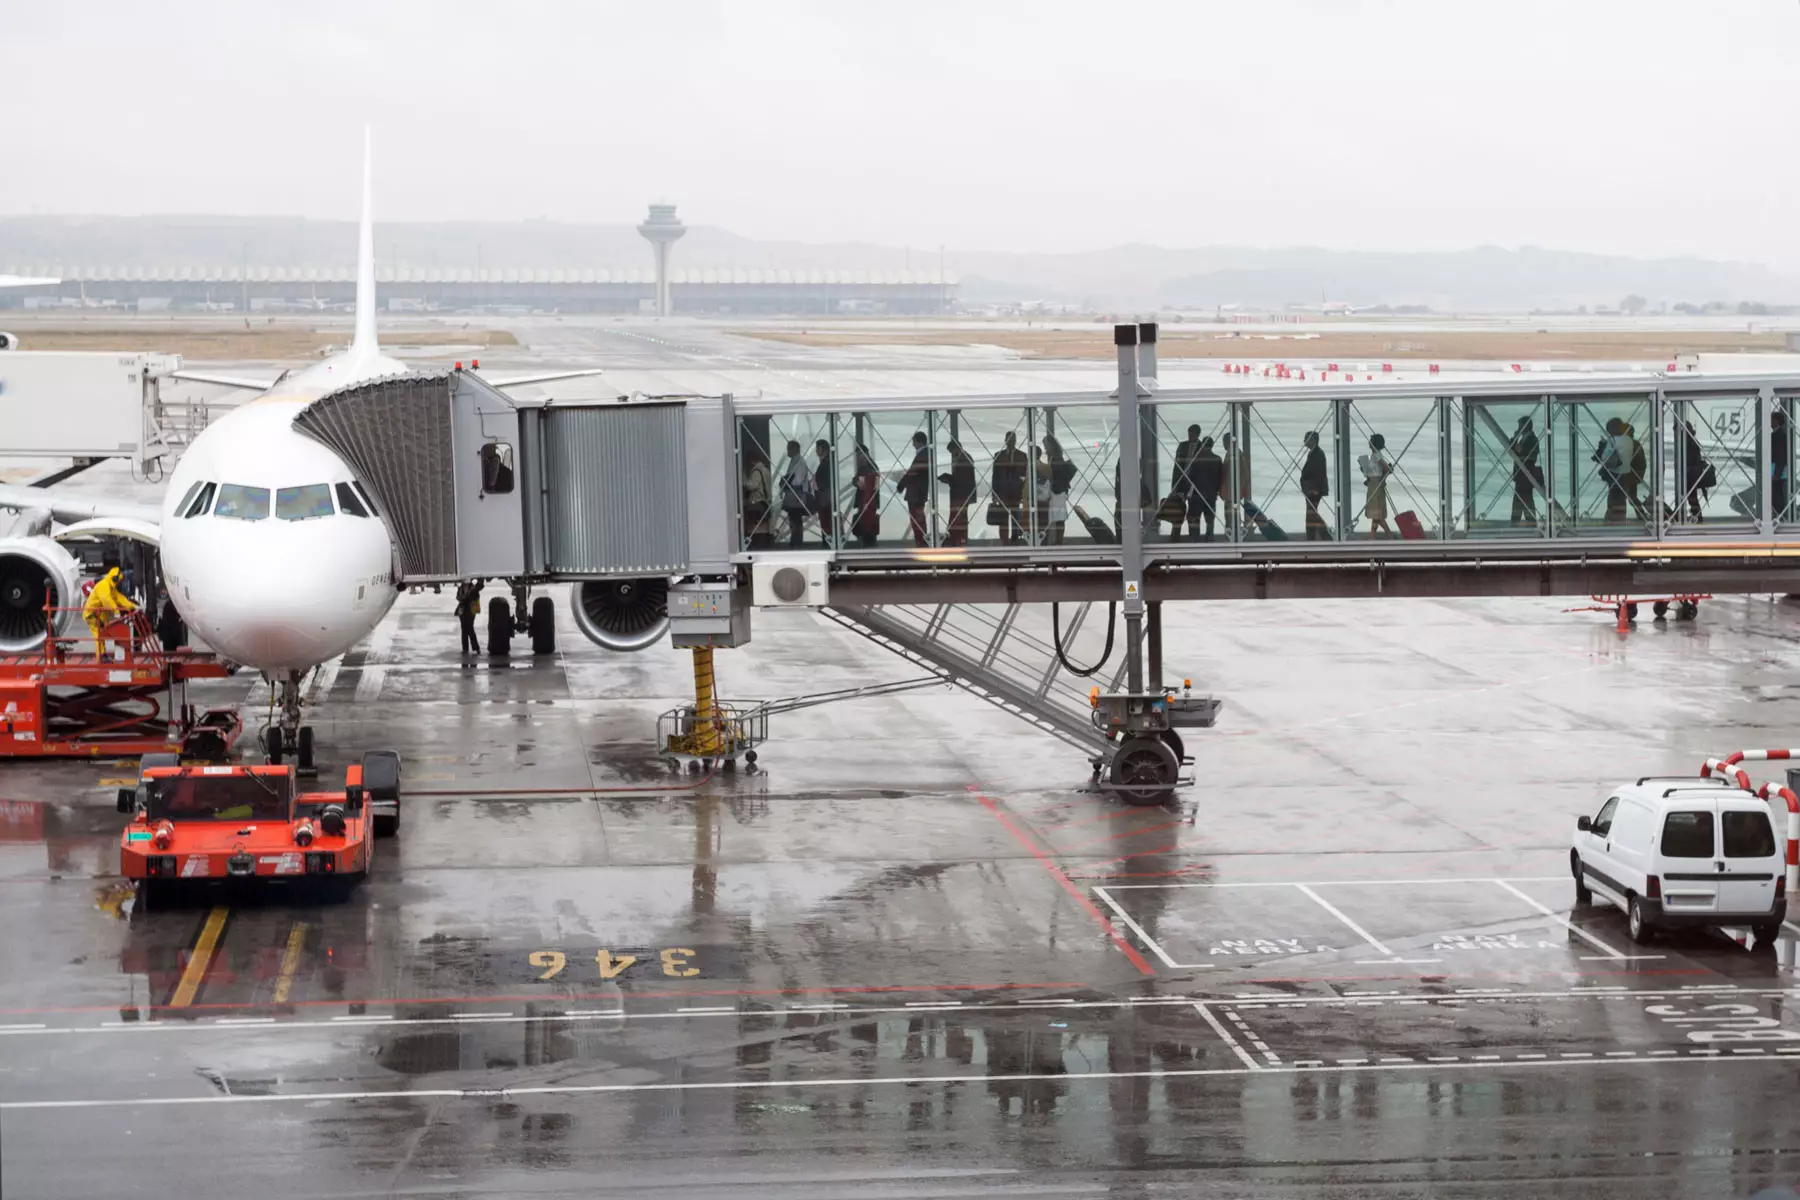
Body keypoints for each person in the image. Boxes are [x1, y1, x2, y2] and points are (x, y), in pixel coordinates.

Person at [83, 564, 137, 660]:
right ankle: (101, 656)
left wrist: (132, 606)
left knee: (101, 634)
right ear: (115, 578)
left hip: (99, 615)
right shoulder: (104, 586)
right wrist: (116, 611)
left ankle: (103, 655)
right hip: (92, 615)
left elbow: (119, 598)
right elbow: (106, 600)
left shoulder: (111, 587)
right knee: (99, 635)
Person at [992, 431, 1028, 544]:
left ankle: (1014, 538)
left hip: (1016, 491)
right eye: (1009, 440)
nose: (1011, 442)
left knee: (1015, 517)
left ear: (1015, 441)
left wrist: (1024, 492)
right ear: (1005, 441)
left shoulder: (1022, 455)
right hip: (1003, 491)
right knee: (1003, 518)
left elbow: (1026, 474)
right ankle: (1004, 540)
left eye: (1013, 439)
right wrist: (994, 493)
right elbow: (995, 475)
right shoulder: (998, 455)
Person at [939, 439, 977, 546]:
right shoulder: (964, 458)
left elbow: (961, 480)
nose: (951, 455)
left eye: (951, 452)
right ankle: (958, 537)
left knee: (960, 517)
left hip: (962, 495)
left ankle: (959, 538)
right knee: (960, 517)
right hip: (962, 495)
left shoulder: (964, 459)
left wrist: (948, 479)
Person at [779, 439, 815, 549]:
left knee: (795, 520)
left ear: (795, 449)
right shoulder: (796, 460)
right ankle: (795, 540)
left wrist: (786, 482)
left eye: (789, 448)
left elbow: (798, 480)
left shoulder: (799, 462)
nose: (787, 451)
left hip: (797, 495)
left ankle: (797, 541)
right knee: (794, 519)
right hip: (795, 494)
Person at [899, 431, 932, 547]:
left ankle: (921, 541)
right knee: (918, 518)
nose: (912, 444)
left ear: (919, 441)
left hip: (916, 494)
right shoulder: (924, 454)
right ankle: (921, 540)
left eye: (914, 441)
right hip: (918, 493)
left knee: (917, 519)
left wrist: (901, 484)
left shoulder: (923, 455)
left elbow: (912, 472)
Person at [1594, 417, 1628, 522]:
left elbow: (1601, 458)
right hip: (1620, 475)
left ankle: (1615, 518)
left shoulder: (1614, 442)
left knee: (1615, 496)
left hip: (1615, 474)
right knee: (1618, 497)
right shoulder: (1625, 441)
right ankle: (1616, 518)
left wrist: (1602, 447)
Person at [1190, 436, 1223, 541]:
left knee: (1196, 517)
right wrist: (1217, 490)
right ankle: (1210, 538)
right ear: (1212, 445)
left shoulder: (1196, 459)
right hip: (1211, 493)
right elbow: (1220, 477)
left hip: (1197, 493)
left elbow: (1191, 476)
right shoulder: (1217, 459)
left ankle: (1196, 539)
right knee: (1209, 518)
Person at [1510, 415, 1540, 525]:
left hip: (1526, 474)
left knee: (1523, 499)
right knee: (1523, 499)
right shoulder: (1523, 438)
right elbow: (1513, 447)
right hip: (1521, 474)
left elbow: (1525, 452)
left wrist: (1517, 444)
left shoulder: (1532, 439)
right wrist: (1515, 437)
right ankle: (1525, 521)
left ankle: (1521, 522)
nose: (1519, 429)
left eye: (1520, 426)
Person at [1680, 417, 1712, 523]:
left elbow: (1689, 459)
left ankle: (1697, 517)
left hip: (1690, 474)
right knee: (1692, 497)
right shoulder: (1692, 440)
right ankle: (1697, 516)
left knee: (1691, 497)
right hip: (1692, 473)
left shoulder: (1688, 442)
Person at [1222, 432, 1252, 540]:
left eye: (1224, 442)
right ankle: (1234, 533)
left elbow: (1228, 473)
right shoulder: (1236, 454)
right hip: (1233, 491)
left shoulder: (1233, 454)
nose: (1223, 444)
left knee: (1231, 514)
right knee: (1232, 513)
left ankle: (1234, 535)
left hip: (1232, 491)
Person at [1300, 430, 1329, 540]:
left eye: (1306, 438)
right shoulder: (1313, 452)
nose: (1304, 441)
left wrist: (1316, 489)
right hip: (1310, 488)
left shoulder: (1318, 453)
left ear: (1312, 440)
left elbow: (1319, 473)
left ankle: (1322, 534)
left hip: (1314, 489)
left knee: (1311, 513)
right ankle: (1317, 535)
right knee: (1311, 513)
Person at [1362, 433, 1393, 536]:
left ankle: (1385, 534)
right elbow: (1377, 471)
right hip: (1373, 483)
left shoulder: (1376, 455)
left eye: (1370, 441)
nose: (1369, 442)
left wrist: (1381, 477)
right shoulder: (1375, 455)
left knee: (1376, 512)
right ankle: (1375, 535)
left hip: (1375, 485)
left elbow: (1386, 469)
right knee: (1376, 511)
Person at [743, 448, 774, 549]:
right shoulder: (766, 470)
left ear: (752, 460)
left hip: (757, 501)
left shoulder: (756, 471)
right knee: (764, 527)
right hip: (766, 502)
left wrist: (743, 483)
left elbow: (753, 486)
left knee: (755, 527)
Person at [1043, 434, 1071, 545]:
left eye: (1046, 446)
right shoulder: (1057, 456)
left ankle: (1059, 540)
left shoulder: (1056, 459)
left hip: (1057, 491)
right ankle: (1058, 540)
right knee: (1059, 518)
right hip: (1059, 490)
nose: (1045, 448)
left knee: (1059, 518)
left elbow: (1056, 475)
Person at [852, 443, 881, 548]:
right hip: (865, 500)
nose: (858, 458)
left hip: (867, 500)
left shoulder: (869, 467)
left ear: (865, 454)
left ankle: (868, 543)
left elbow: (870, 487)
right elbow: (855, 480)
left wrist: (866, 502)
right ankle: (869, 542)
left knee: (867, 522)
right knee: (866, 521)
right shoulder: (865, 466)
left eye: (860, 455)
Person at [812, 439, 835, 548]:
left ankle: (827, 543)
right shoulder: (826, 463)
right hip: (824, 497)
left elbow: (824, 481)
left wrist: (817, 487)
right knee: (826, 523)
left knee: (826, 523)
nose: (816, 451)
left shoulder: (826, 464)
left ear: (824, 450)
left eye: (818, 448)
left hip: (825, 498)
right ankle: (827, 541)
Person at [454, 580, 482, 656]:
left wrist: (466, 598)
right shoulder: (461, 588)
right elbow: (458, 597)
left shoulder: (473, 588)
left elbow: (476, 596)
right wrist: (463, 598)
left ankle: (475, 647)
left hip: (471, 610)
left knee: (470, 628)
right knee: (464, 629)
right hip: (463, 610)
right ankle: (466, 648)